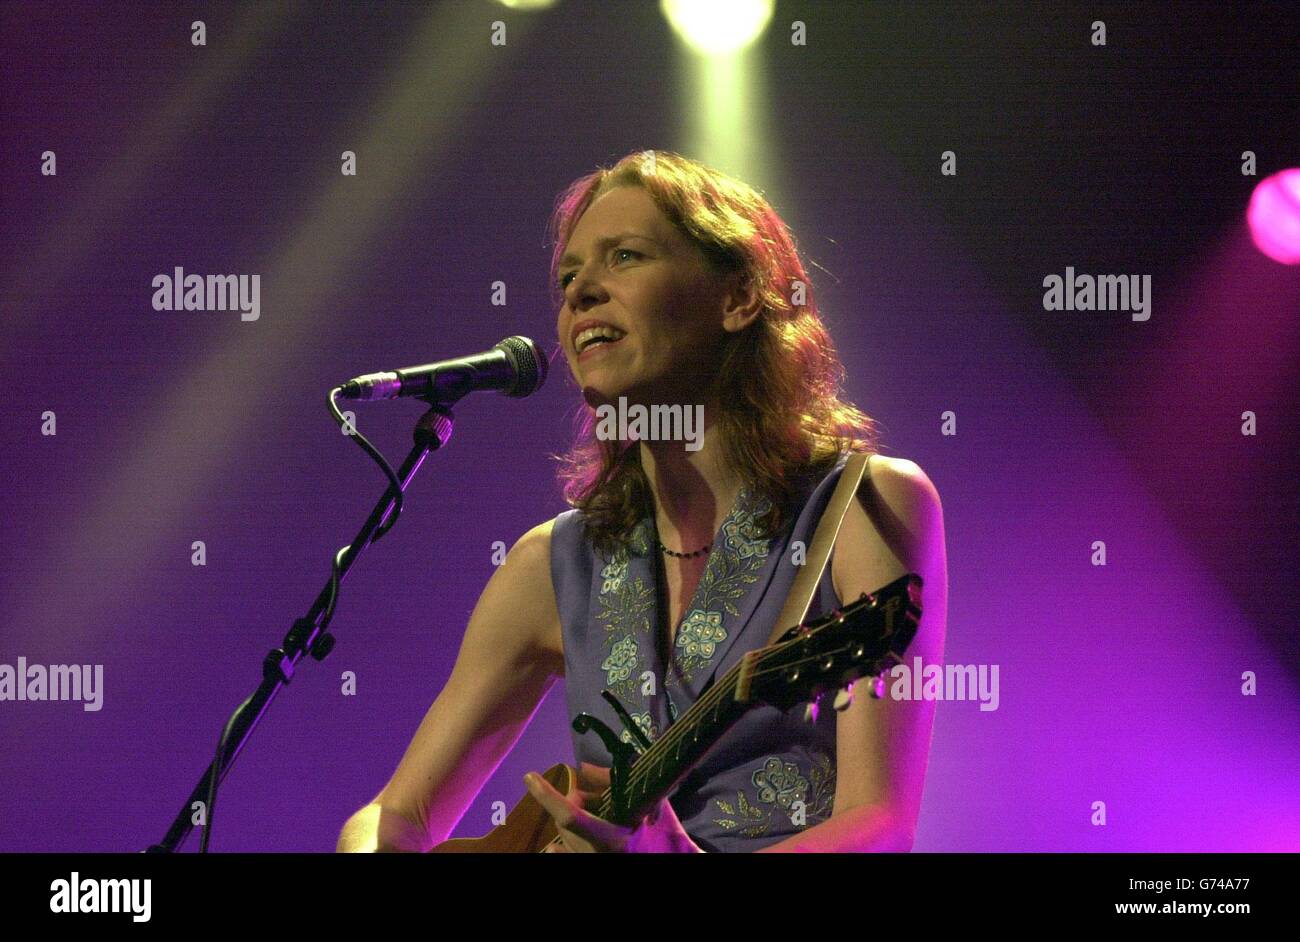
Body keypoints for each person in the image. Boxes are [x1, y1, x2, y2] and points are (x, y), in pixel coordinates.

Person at [336, 150, 947, 853]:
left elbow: (881, 829)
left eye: (625, 256)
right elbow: (393, 815)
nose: (580, 292)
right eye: (568, 277)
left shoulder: (866, 504)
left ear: (738, 296)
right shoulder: (552, 564)